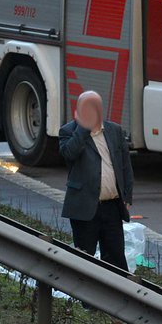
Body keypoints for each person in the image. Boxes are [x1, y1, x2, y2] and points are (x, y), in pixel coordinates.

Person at [59, 91, 134, 270]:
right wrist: (84, 128)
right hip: (84, 207)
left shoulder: (114, 130)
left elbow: (125, 166)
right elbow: (69, 154)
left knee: (116, 260)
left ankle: (116, 296)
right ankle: (87, 297)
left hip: (112, 207)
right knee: (85, 261)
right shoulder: (68, 131)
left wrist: (127, 196)